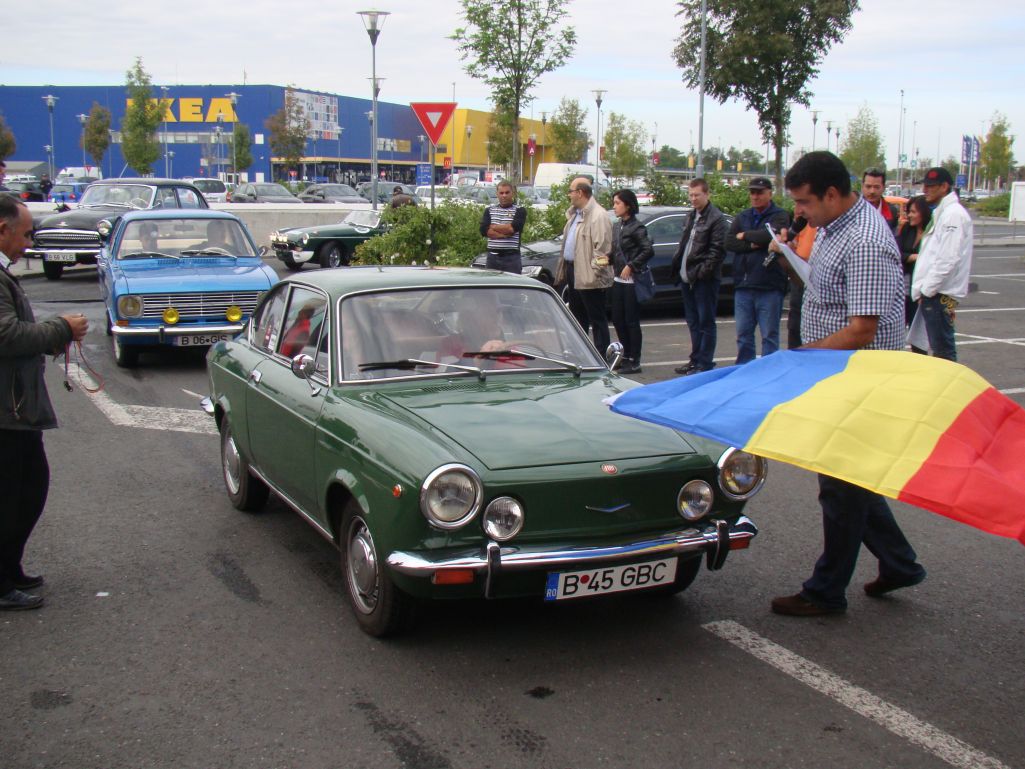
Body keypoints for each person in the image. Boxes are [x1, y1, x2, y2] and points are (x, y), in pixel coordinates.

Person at [771, 151, 924, 617]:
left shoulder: (866, 241)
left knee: (840, 487)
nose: (799, 211)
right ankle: (899, 564)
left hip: (860, 381)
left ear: (832, 194)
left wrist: (801, 356)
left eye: (804, 202)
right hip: (833, 373)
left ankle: (825, 591)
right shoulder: (834, 229)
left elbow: (863, 330)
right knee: (851, 481)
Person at [0, 196, 89, 610]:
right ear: (3, 230)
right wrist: (61, 329)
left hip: (14, 407)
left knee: (29, 486)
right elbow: (8, 336)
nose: (29, 242)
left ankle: (9, 568)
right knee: (15, 492)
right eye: (25, 233)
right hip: (6, 411)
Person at [724, 177, 790, 364]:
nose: (755, 196)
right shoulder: (743, 216)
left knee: (769, 335)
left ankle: (769, 371)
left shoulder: (780, 215)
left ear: (770, 193)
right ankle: (745, 369)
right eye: (752, 192)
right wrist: (753, 245)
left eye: (760, 192)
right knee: (743, 334)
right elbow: (729, 242)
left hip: (769, 285)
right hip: (744, 285)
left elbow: (771, 236)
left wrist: (745, 235)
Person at [910, 167, 973, 361]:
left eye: (931, 186)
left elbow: (947, 258)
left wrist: (927, 290)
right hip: (935, 292)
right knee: (935, 348)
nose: (925, 190)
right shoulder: (944, 212)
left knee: (943, 351)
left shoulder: (953, 215)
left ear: (944, 187)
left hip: (939, 293)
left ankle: (950, 389)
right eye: (924, 185)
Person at [671, 178, 727, 375]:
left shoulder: (716, 218)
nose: (693, 199)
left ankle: (705, 362)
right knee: (693, 321)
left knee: (705, 321)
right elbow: (684, 243)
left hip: (704, 280)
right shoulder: (690, 216)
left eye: (697, 195)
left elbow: (716, 252)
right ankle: (695, 359)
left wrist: (701, 273)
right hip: (687, 278)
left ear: (707, 195)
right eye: (691, 195)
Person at [558, 177, 613, 352]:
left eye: (571, 191)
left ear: (580, 193)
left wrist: (594, 273)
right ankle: (581, 354)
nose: (569, 195)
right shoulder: (576, 214)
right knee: (577, 317)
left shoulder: (598, 215)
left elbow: (603, 251)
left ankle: (602, 355)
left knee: (596, 319)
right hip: (573, 270)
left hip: (589, 275)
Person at [610, 189, 654, 374]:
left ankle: (634, 359)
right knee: (618, 319)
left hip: (631, 281)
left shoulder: (637, 227)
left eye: (618, 203)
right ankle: (625, 355)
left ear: (628, 205)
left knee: (631, 320)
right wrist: (607, 258)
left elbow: (648, 250)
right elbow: (617, 251)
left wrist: (632, 265)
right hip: (617, 278)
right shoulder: (617, 226)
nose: (614, 206)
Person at [895, 196, 932, 330]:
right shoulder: (907, 229)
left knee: (919, 333)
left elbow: (932, 258)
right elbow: (896, 251)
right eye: (908, 211)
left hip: (921, 288)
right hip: (904, 286)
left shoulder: (932, 233)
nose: (909, 215)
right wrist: (913, 257)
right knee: (900, 327)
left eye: (913, 212)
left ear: (924, 212)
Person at [479, 180, 527, 274]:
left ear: (512, 193)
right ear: (497, 194)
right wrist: (503, 235)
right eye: (501, 193)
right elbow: (484, 231)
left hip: (511, 258)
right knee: (492, 287)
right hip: (492, 258)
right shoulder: (489, 210)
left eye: (507, 192)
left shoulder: (520, 210)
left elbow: (512, 229)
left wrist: (493, 227)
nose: (504, 195)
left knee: (512, 287)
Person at [860, 168, 899, 234]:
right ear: (862, 186)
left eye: (876, 187)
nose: (872, 191)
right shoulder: (852, 209)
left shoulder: (892, 212)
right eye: (868, 186)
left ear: (883, 188)